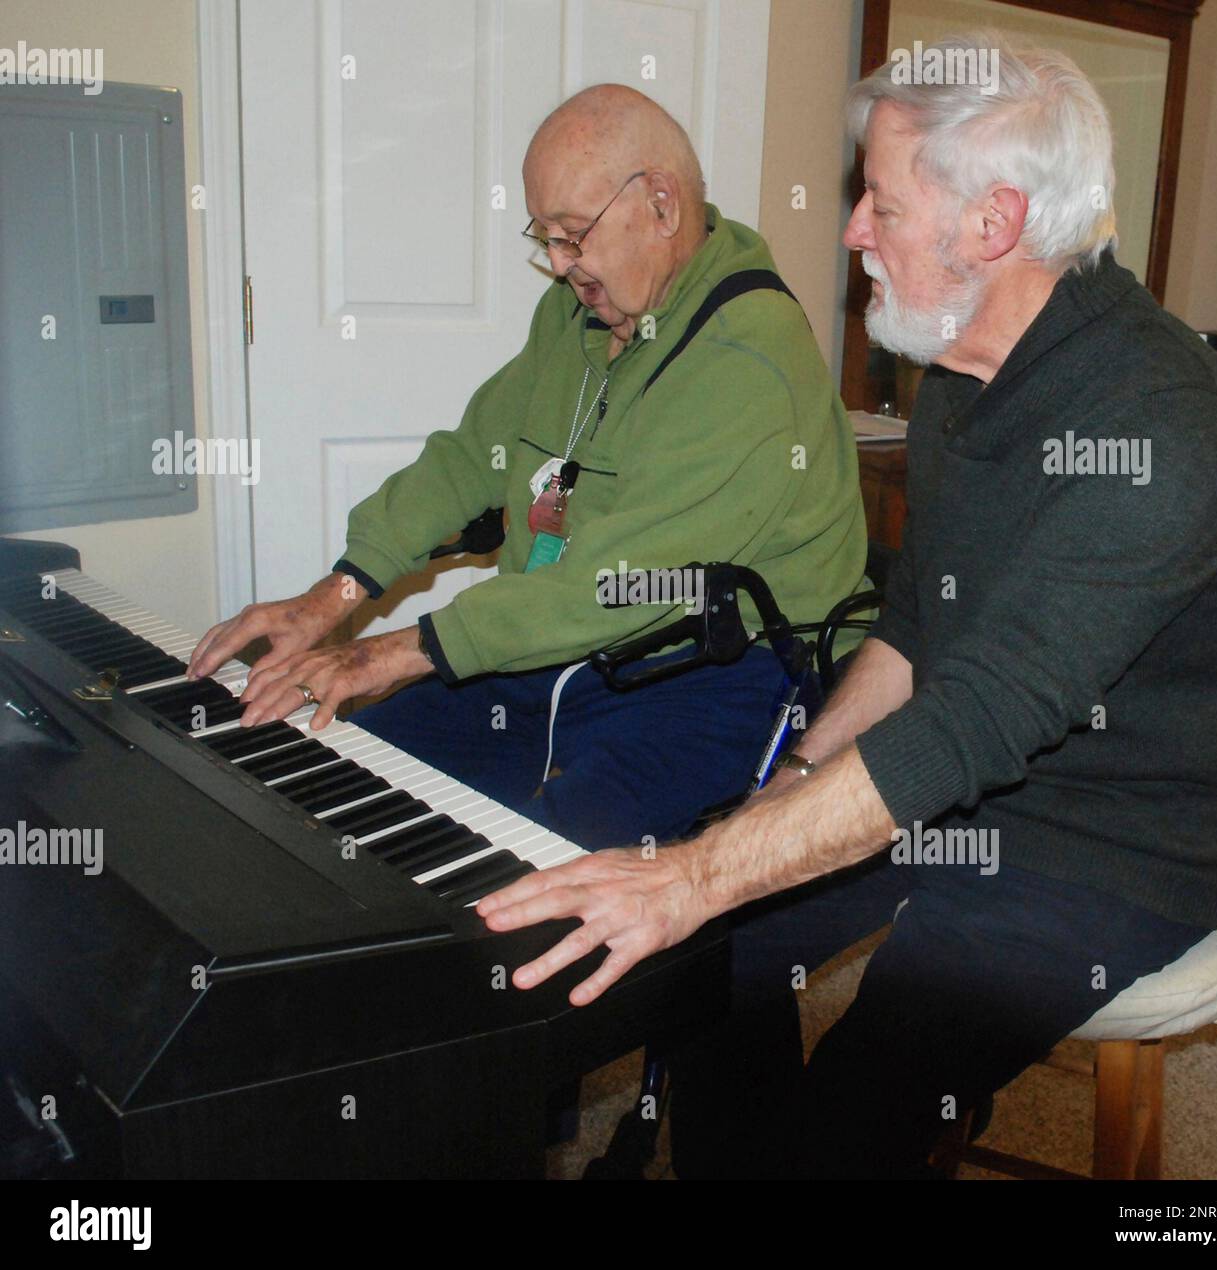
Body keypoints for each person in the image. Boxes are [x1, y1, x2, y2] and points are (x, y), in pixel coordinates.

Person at [477, 34, 1217, 1178]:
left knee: (854, 1085)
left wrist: (693, 873)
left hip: (1112, 846)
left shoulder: (1161, 432)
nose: (850, 229)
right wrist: (786, 788)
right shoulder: (956, 369)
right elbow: (913, 632)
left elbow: (977, 718)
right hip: (957, 775)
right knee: (698, 961)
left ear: (992, 225)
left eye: (882, 205)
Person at [188, 84, 866, 851]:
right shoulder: (579, 314)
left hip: (721, 671)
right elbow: (472, 458)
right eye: (544, 236)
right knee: (349, 778)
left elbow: (620, 584)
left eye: (574, 235)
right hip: (565, 636)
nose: (556, 263)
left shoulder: (748, 361)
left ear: (664, 206)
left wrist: (384, 654)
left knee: (539, 877)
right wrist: (332, 597)